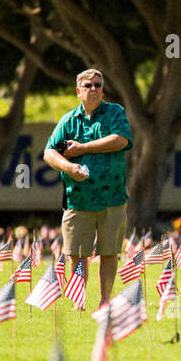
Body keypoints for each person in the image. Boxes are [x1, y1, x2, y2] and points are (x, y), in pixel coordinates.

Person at [42, 69, 132, 309]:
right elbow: (49, 152)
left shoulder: (115, 112)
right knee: (76, 253)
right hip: (78, 199)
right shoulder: (68, 121)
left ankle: (104, 300)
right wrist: (69, 168)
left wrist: (83, 148)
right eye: (88, 85)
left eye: (98, 85)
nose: (94, 89)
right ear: (78, 91)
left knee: (109, 251)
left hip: (112, 197)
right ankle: (78, 298)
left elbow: (120, 140)